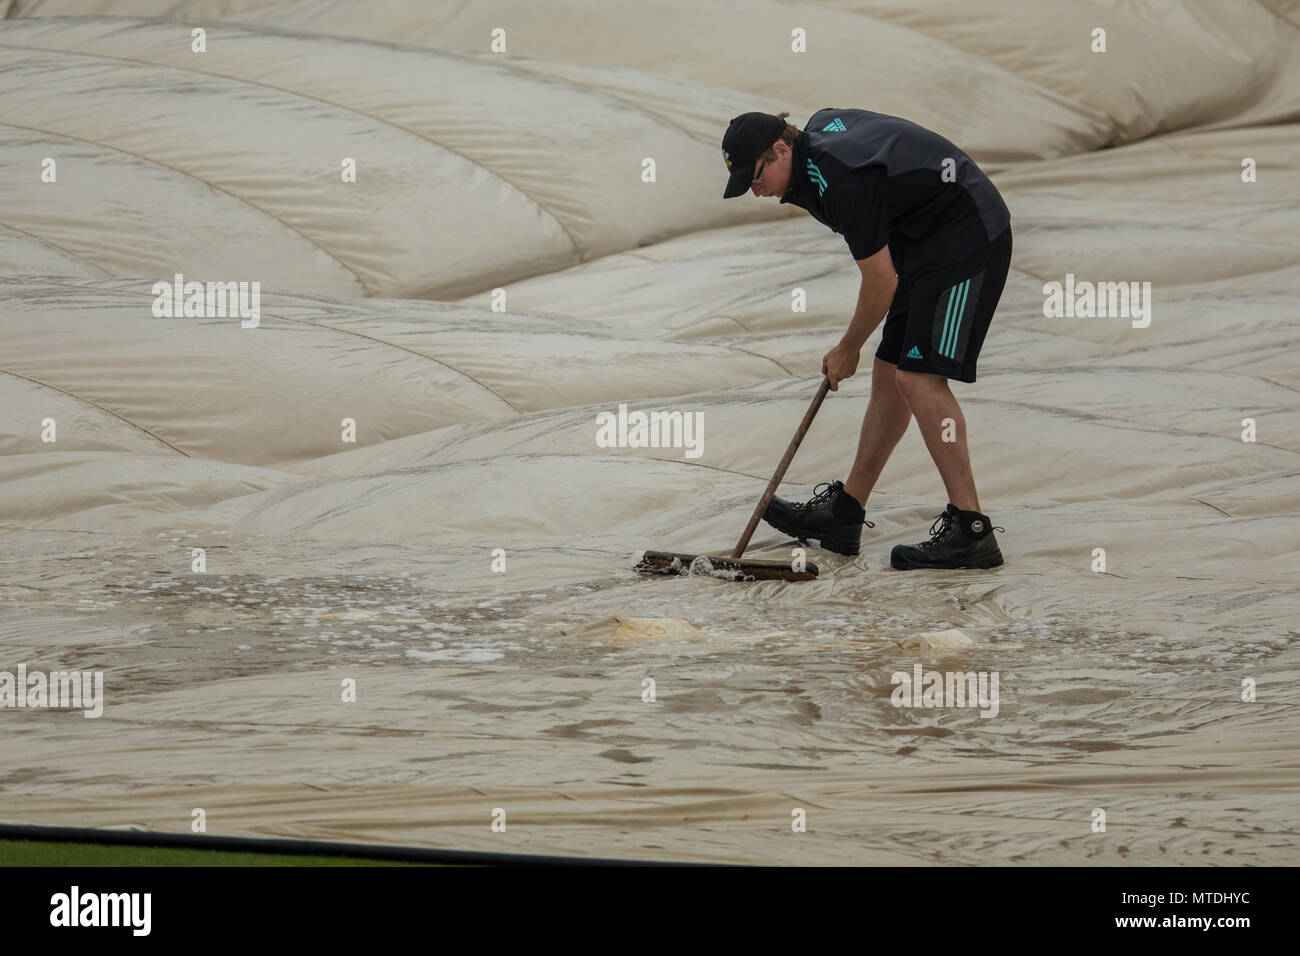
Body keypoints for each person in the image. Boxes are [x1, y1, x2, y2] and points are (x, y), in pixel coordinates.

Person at [721, 109, 1011, 570]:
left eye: (756, 178)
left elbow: (880, 283)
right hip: (922, 240)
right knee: (891, 369)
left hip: (968, 235)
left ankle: (972, 529)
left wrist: (847, 346)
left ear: (781, 149)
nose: (756, 191)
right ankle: (845, 513)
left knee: (920, 380)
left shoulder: (842, 180)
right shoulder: (816, 144)